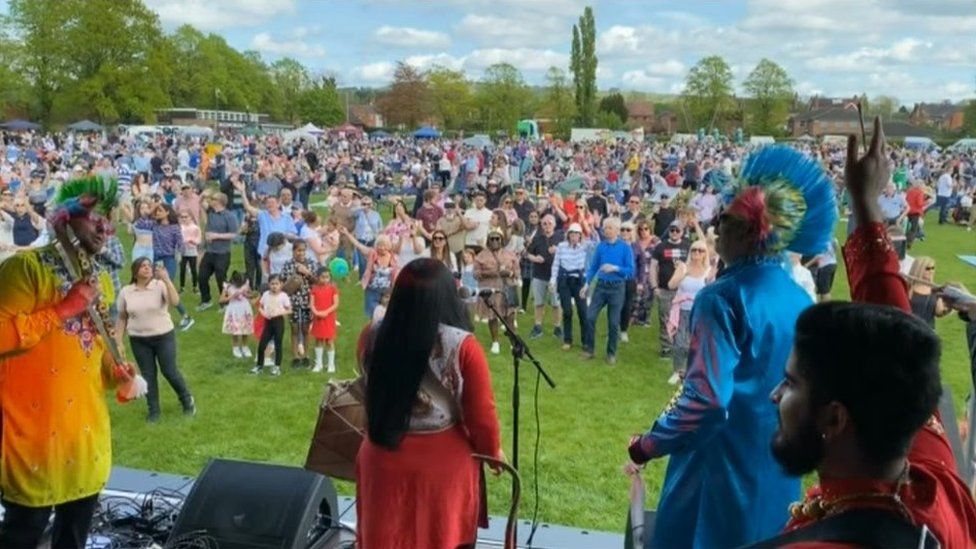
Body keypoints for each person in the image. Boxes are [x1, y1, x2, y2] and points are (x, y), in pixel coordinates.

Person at [751, 117, 976, 548]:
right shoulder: (933, 479)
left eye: (792, 382)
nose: (775, 395)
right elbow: (888, 328)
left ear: (835, 418)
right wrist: (865, 202)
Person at [625, 146, 837, 548]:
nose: (714, 226)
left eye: (722, 218)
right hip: (776, 467)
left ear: (745, 230)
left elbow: (706, 399)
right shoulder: (798, 296)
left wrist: (646, 445)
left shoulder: (720, 298)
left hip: (717, 471)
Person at [0, 176, 138, 549]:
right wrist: (62, 310)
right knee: (22, 537)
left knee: (73, 540)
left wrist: (119, 371)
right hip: (32, 439)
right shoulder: (24, 270)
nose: (104, 227)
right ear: (64, 217)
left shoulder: (99, 281)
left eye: (108, 220)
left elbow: (98, 354)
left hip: (84, 439)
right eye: (93, 216)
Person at [355, 258, 503, 549]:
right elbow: (482, 414)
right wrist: (492, 451)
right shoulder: (463, 345)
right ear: (447, 295)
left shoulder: (371, 334)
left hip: (382, 455)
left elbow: (365, 384)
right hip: (442, 466)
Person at [117, 257, 196, 422]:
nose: (147, 268)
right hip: (139, 339)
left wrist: (166, 279)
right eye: (143, 266)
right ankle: (153, 411)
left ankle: (187, 400)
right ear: (135, 271)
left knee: (169, 370)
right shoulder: (126, 291)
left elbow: (175, 301)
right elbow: (122, 317)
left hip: (163, 336)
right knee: (148, 375)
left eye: (148, 266)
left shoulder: (159, 285)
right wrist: (118, 340)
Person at [581, 217, 634, 365]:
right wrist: (586, 285)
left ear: (617, 230)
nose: (606, 230)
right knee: (590, 317)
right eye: (605, 227)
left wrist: (615, 268)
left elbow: (630, 271)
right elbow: (593, 268)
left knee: (613, 322)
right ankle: (589, 349)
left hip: (617, 288)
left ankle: (611, 353)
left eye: (609, 228)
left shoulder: (625, 248)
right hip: (601, 287)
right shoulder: (601, 246)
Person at [665, 241, 712, 385]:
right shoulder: (683, 267)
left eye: (700, 251)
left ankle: (693, 372)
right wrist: (684, 274)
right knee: (680, 344)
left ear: (705, 254)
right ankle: (677, 371)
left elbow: (711, 291)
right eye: (694, 250)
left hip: (700, 312)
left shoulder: (708, 270)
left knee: (697, 343)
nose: (697, 253)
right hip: (682, 310)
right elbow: (671, 285)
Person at [473, 227, 520, 355]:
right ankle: (495, 342)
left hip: (508, 287)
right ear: (488, 240)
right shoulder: (481, 256)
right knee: (492, 315)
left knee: (510, 315)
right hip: (490, 290)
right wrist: (493, 273)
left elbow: (517, 271)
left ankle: (513, 342)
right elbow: (476, 274)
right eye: (492, 238)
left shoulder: (510, 254)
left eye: (497, 238)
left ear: (501, 240)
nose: (494, 241)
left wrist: (510, 273)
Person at [649, 220, 690, 358]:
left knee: (683, 319)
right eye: (672, 230)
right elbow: (653, 267)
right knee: (664, 318)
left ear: (682, 232)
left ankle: (680, 345)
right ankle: (666, 347)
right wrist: (654, 287)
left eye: (677, 230)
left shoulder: (688, 246)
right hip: (664, 289)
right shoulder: (660, 247)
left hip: (683, 291)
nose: (674, 232)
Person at [549, 223, 590, 351]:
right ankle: (567, 339)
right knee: (567, 311)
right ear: (568, 235)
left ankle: (585, 341)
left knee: (583, 312)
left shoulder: (584, 247)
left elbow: (588, 265)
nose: (574, 237)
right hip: (565, 281)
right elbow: (556, 265)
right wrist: (553, 281)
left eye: (576, 234)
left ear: (580, 236)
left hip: (579, 281)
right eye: (571, 234)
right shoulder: (561, 246)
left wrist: (587, 284)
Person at [197, 192, 239, 310]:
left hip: (223, 253)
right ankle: (206, 300)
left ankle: (225, 303)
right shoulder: (211, 212)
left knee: (221, 278)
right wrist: (203, 195)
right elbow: (199, 202)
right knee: (202, 276)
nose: (211, 200)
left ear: (220, 202)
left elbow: (234, 235)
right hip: (210, 252)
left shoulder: (229, 216)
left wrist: (216, 236)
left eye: (213, 198)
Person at [280, 240, 319, 368]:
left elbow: (317, 282)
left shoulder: (311, 263)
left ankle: (306, 355)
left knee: (306, 329)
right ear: (293, 251)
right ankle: (296, 357)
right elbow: (281, 283)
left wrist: (307, 273)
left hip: (307, 301)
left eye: (303, 250)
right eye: (298, 250)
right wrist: (292, 281)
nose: (301, 253)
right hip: (293, 302)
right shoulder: (288, 265)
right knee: (295, 329)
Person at [525, 214, 563, 339]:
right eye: (544, 224)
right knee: (539, 303)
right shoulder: (537, 239)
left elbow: (569, 252)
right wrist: (534, 258)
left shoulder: (560, 237)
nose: (547, 226)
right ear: (541, 225)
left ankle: (557, 328)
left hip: (555, 276)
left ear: (554, 225)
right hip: (539, 275)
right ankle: (537, 327)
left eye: (550, 223)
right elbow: (526, 253)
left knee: (556, 303)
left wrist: (558, 250)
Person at [345, 231, 399, 319]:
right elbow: (358, 245)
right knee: (373, 315)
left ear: (388, 246)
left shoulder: (393, 257)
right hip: (372, 291)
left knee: (387, 316)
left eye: (384, 245)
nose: (381, 248)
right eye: (379, 245)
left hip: (387, 292)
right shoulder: (372, 253)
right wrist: (347, 234)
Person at [252, 274, 292, 376]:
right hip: (268, 322)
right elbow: (260, 306)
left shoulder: (283, 296)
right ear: (269, 284)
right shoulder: (266, 295)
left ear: (281, 285)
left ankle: (277, 366)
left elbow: (289, 309)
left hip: (278, 322)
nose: (274, 286)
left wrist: (278, 312)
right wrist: (264, 313)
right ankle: (259, 366)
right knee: (262, 345)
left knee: (278, 345)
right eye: (272, 284)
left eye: (277, 284)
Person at [310, 266, 339, 373]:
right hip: (318, 318)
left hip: (329, 317)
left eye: (327, 277)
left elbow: (336, 303)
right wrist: (317, 312)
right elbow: (312, 304)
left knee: (329, 340)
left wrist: (326, 312)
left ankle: (331, 365)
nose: (325, 280)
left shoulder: (333, 289)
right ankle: (319, 364)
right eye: (322, 277)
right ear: (318, 277)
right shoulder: (314, 289)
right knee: (318, 340)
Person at [907, 256, 949, 328]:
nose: (931, 271)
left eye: (933, 268)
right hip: (909, 328)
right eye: (927, 268)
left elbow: (939, 312)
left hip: (928, 330)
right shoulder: (908, 287)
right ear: (918, 269)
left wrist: (950, 306)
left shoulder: (935, 289)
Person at [220, 270, 253, 359]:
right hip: (234, 309)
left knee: (245, 328)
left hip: (244, 308)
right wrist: (232, 296)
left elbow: (251, 294)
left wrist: (246, 294)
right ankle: (235, 347)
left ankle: (245, 346)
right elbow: (221, 300)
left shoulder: (246, 284)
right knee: (235, 329)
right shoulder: (227, 286)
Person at [178, 211, 200, 293]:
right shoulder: (180, 227)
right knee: (182, 269)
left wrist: (193, 241)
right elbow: (179, 239)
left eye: (186, 217)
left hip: (192, 251)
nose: (184, 219)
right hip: (183, 251)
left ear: (191, 217)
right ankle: (182, 287)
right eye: (182, 217)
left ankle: (195, 286)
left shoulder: (195, 228)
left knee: (193, 269)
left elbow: (198, 239)